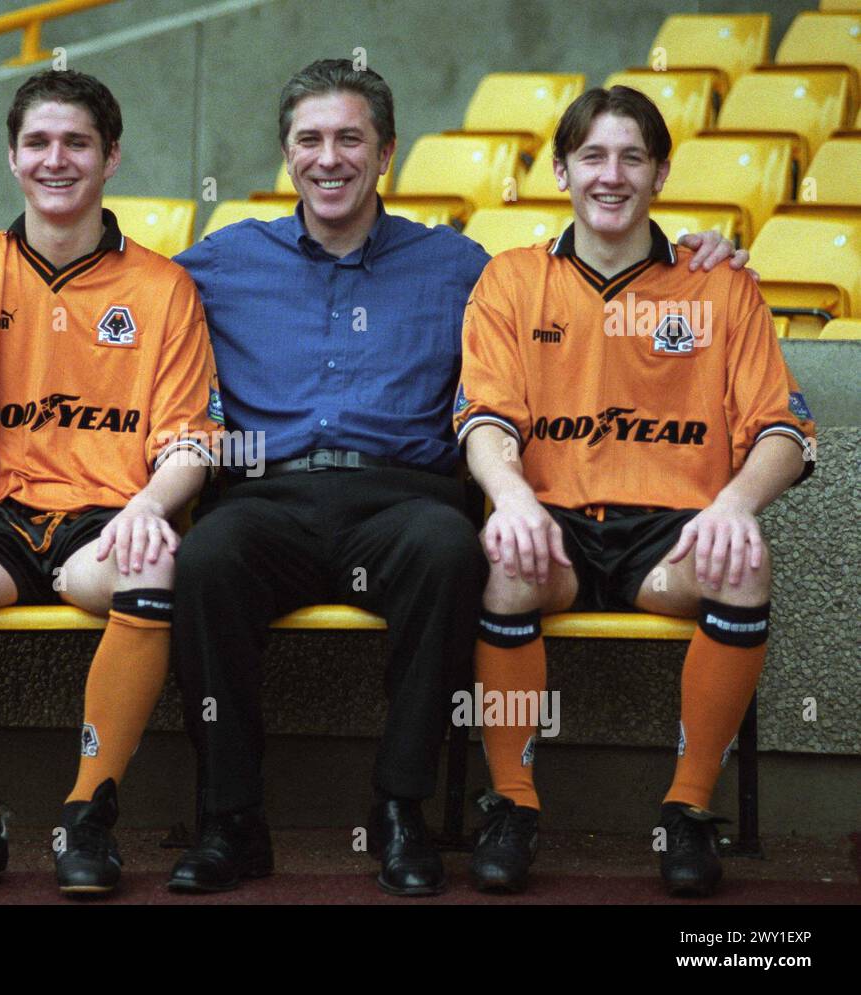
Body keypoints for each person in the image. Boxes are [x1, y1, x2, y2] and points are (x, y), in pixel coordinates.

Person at [166, 59, 750, 897]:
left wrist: (700, 256)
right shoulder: (222, 260)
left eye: (350, 139)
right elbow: (102, 281)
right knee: (205, 562)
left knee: (450, 553)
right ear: (286, 155)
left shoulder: (458, 265)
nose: (329, 158)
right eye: (310, 140)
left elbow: (583, 285)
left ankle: (403, 811)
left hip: (406, 496)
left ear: (387, 152)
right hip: (269, 495)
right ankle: (232, 820)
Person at [454, 85, 815, 897]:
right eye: (591, 157)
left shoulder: (719, 284)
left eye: (630, 157)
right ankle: (512, 804)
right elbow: (484, 419)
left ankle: (686, 812)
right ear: (558, 171)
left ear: (660, 173)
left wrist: (733, 505)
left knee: (744, 562)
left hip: (673, 535)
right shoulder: (512, 281)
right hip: (558, 530)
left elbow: (783, 432)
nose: (609, 176)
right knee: (502, 559)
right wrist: (511, 497)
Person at [0, 69, 220, 898]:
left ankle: (86, 812)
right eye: (38, 143)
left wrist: (148, 507)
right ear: (12, 159)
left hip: (104, 519)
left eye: (77, 143)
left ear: (111, 159)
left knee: (154, 559)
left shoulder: (164, 287)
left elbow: (194, 441)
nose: (56, 159)